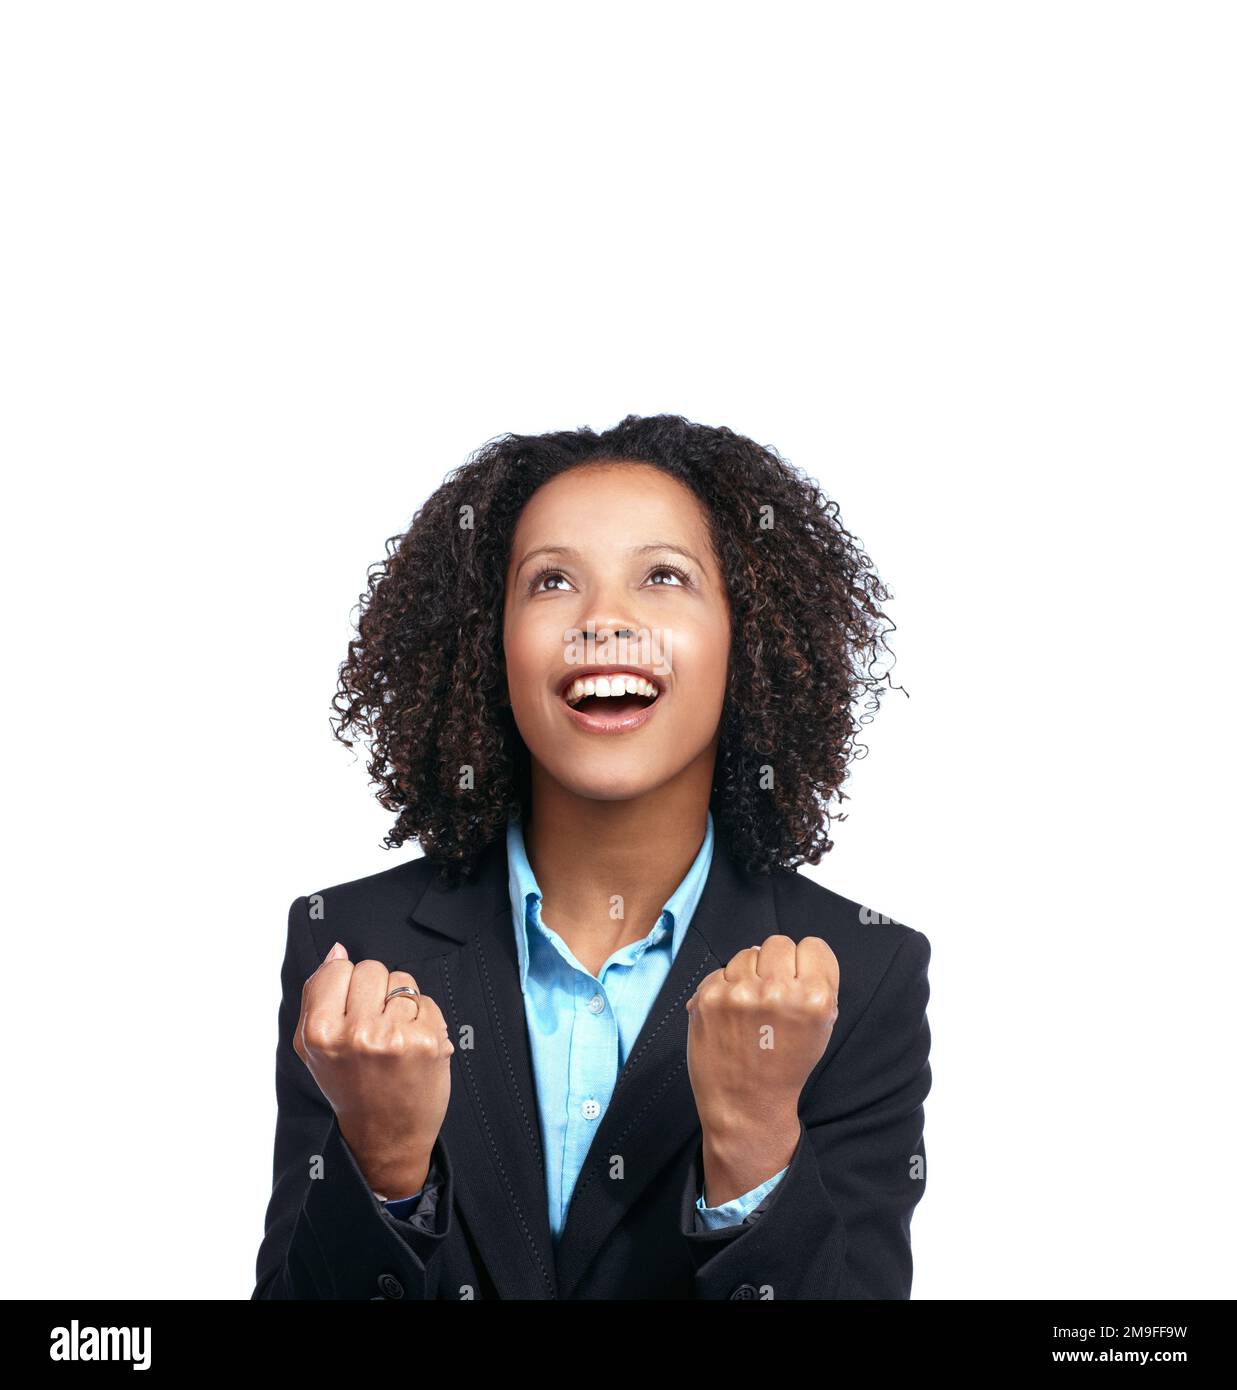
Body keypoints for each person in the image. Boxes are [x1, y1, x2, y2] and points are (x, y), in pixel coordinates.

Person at [251, 412, 931, 1300]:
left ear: (747, 636)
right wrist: (384, 1170)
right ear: (489, 646)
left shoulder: (865, 972)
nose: (606, 621)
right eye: (552, 582)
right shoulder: (348, 950)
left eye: (662, 576)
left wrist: (755, 1140)